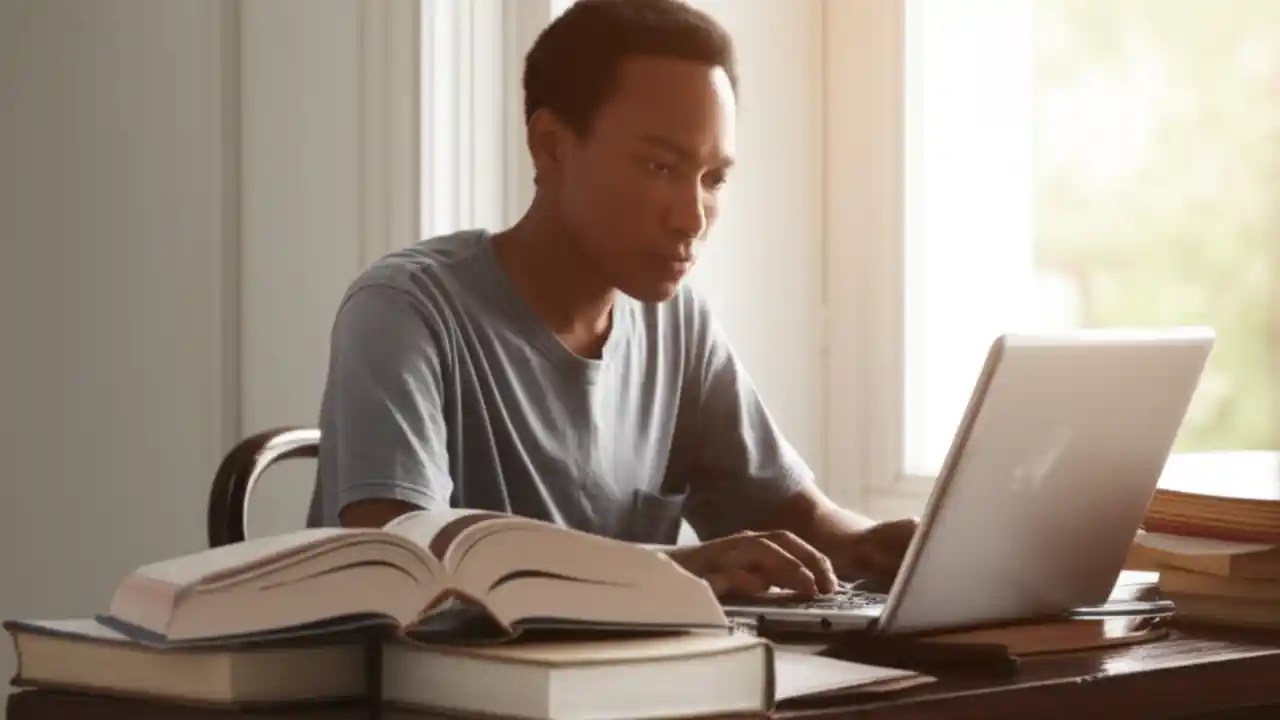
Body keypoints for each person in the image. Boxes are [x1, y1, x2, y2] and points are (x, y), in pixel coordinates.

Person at [306, 0, 917, 599]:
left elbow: (799, 519)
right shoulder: (403, 311)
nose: (692, 218)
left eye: (714, 179)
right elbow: (398, 558)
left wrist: (890, 548)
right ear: (551, 146)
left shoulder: (679, 324)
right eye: (659, 167)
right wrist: (678, 567)